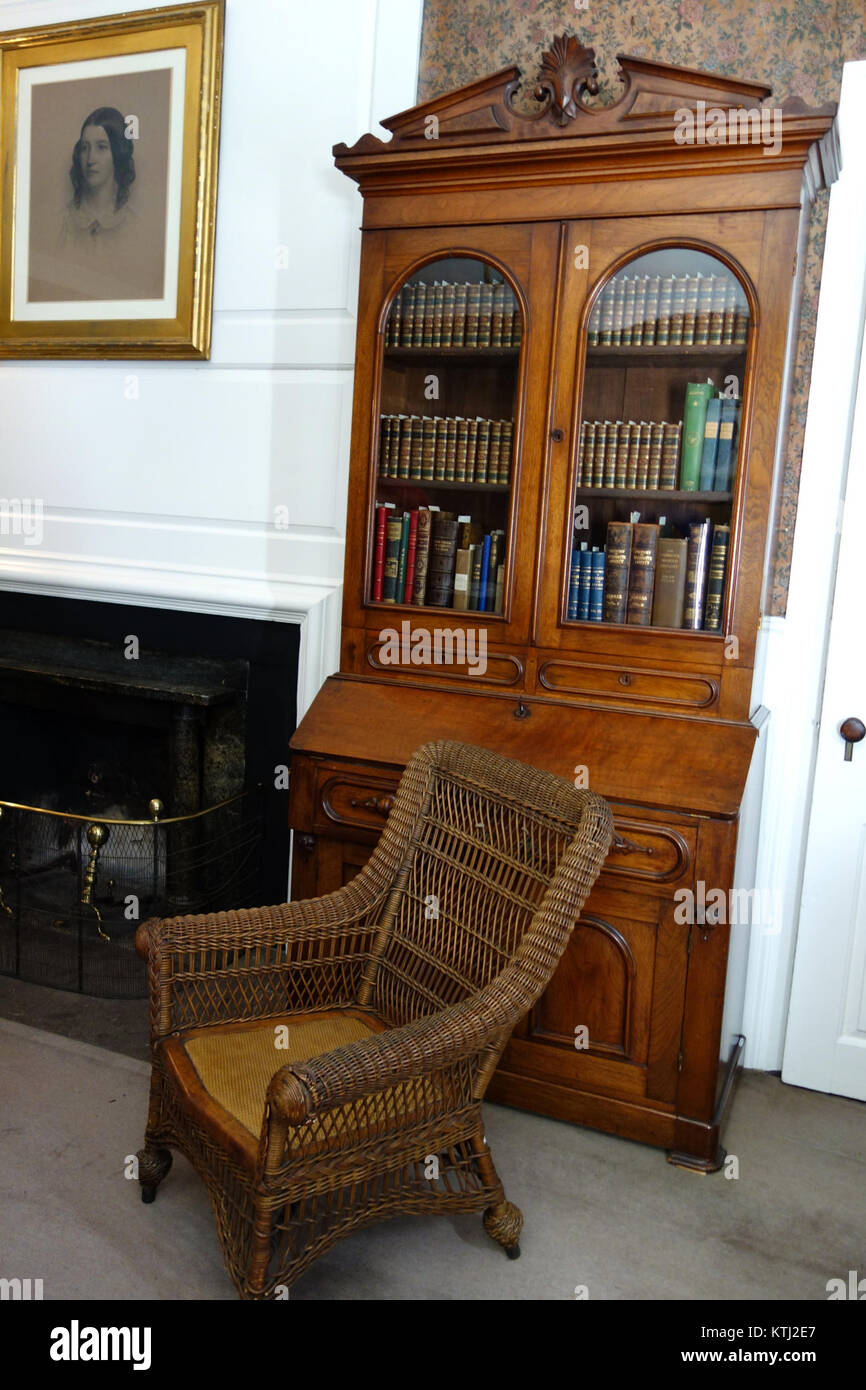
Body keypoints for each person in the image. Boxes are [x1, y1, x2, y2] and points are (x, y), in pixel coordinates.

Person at [54, 106, 154, 300]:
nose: (90, 159)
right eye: (85, 148)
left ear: (116, 154)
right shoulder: (61, 224)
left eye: (101, 147)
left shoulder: (137, 229)